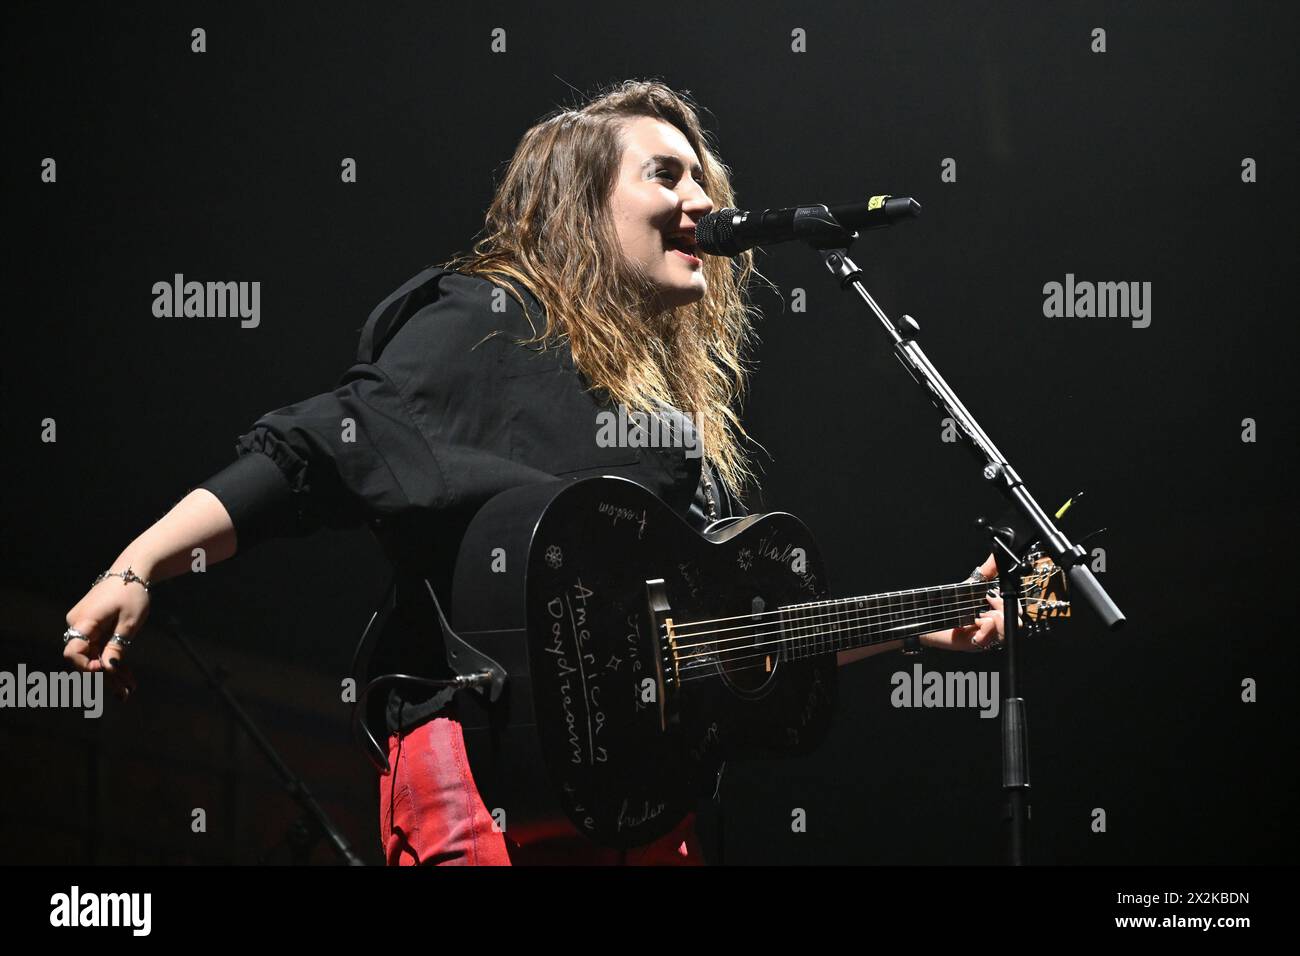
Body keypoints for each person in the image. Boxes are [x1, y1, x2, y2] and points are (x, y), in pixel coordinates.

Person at [61, 79, 1006, 866]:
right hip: (485, 780)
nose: (701, 205)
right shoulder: (491, 324)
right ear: (582, 203)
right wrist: (139, 565)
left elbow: (724, 641)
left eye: (704, 180)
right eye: (664, 175)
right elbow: (317, 451)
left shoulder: (671, 429)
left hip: (645, 812)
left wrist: (914, 628)